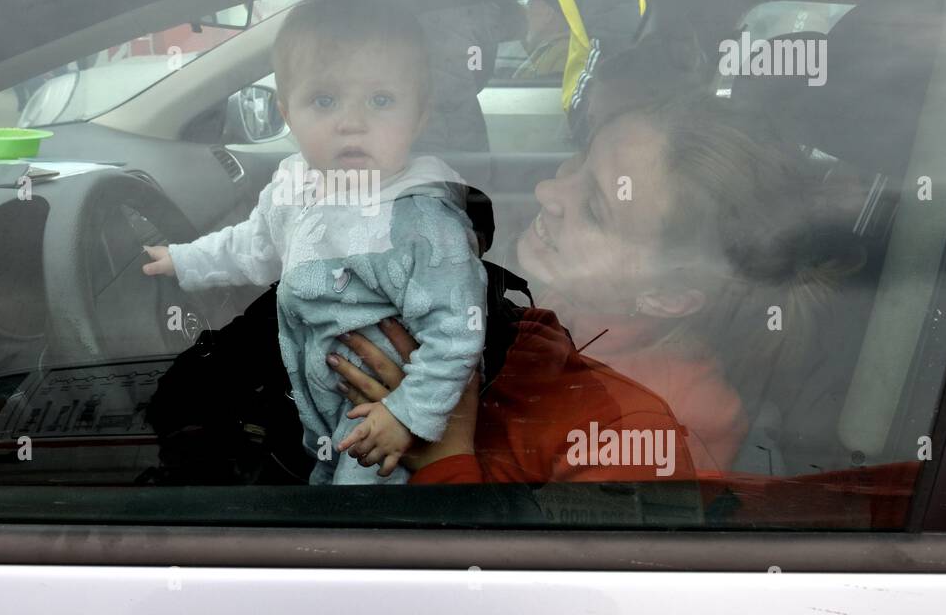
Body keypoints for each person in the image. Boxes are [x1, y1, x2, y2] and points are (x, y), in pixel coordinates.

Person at [329, 94, 861, 483]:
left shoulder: (646, 430)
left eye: (596, 210)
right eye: (579, 161)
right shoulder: (557, 315)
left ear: (667, 297)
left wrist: (444, 455)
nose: (546, 191)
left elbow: (536, 596)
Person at [142, 0, 488, 485]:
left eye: (381, 100)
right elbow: (254, 245)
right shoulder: (296, 187)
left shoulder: (421, 220)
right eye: (325, 100)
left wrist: (407, 415)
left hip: (385, 418)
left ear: (420, 115)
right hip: (321, 408)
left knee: (351, 518)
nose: (352, 123)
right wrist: (184, 260)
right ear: (287, 114)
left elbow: (457, 334)